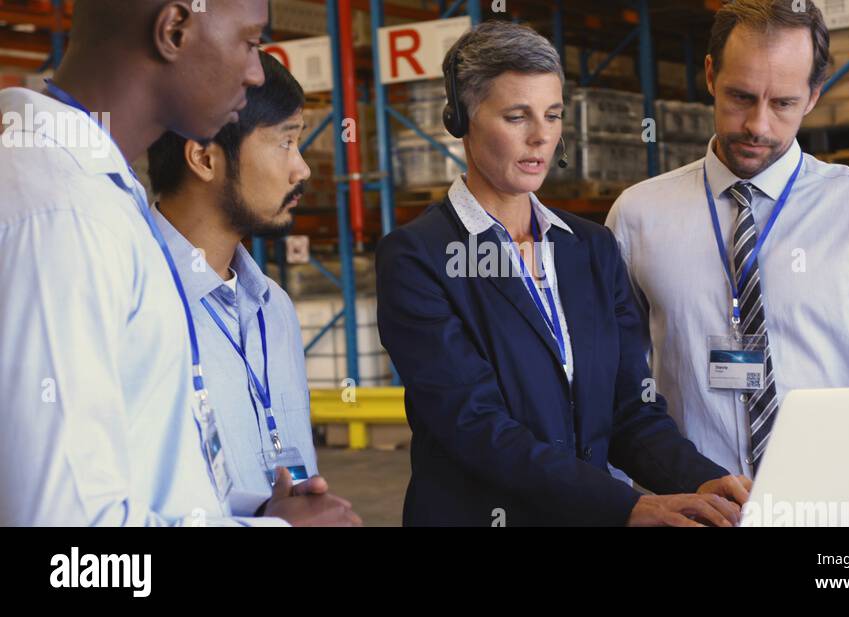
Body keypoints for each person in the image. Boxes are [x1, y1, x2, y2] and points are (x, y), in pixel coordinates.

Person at [606, 0, 849, 516]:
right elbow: (617, 387)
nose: (757, 124)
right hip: (699, 508)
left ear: (814, 96)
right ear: (711, 75)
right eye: (740, 97)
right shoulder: (638, 215)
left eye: (782, 103)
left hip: (836, 508)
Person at [376, 20, 750, 527]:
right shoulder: (417, 258)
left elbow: (629, 409)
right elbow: (475, 426)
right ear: (460, 118)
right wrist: (625, 506)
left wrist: (702, 480)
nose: (540, 137)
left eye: (552, 115)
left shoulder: (591, 248)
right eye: (516, 116)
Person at [0, 0, 348, 526]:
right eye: (250, 43)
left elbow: (129, 480)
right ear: (174, 29)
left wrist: (248, 512)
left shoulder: (105, 202)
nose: (255, 71)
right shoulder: (63, 214)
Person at [146, 52, 360, 525]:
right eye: (285, 142)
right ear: (204, 157)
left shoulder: (273, 308)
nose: (301, 169)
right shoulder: (133, 305)